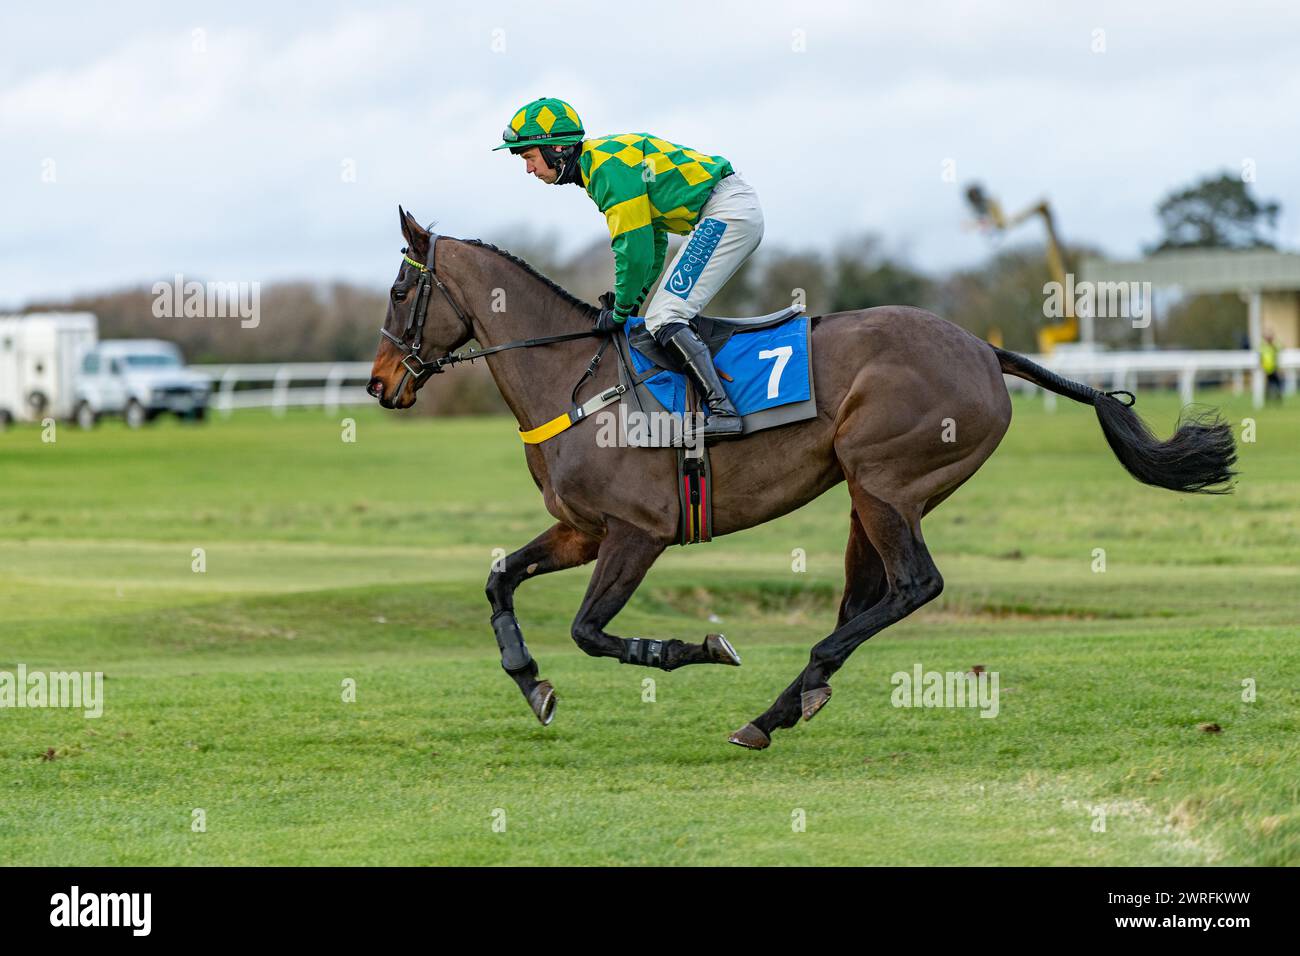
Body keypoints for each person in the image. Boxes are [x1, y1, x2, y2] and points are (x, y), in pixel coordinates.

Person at [493, 96, 764, 439]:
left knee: (665, 317)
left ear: (558, 148)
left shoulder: (606, 169)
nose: (529, 169)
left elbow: (633, 249)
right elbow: (654, 243)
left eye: (530, 157)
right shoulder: (599, 165)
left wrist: (621, 310)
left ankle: (723, 411)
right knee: (659, 315)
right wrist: (632, 303)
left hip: (727, 212)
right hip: (725, 210)